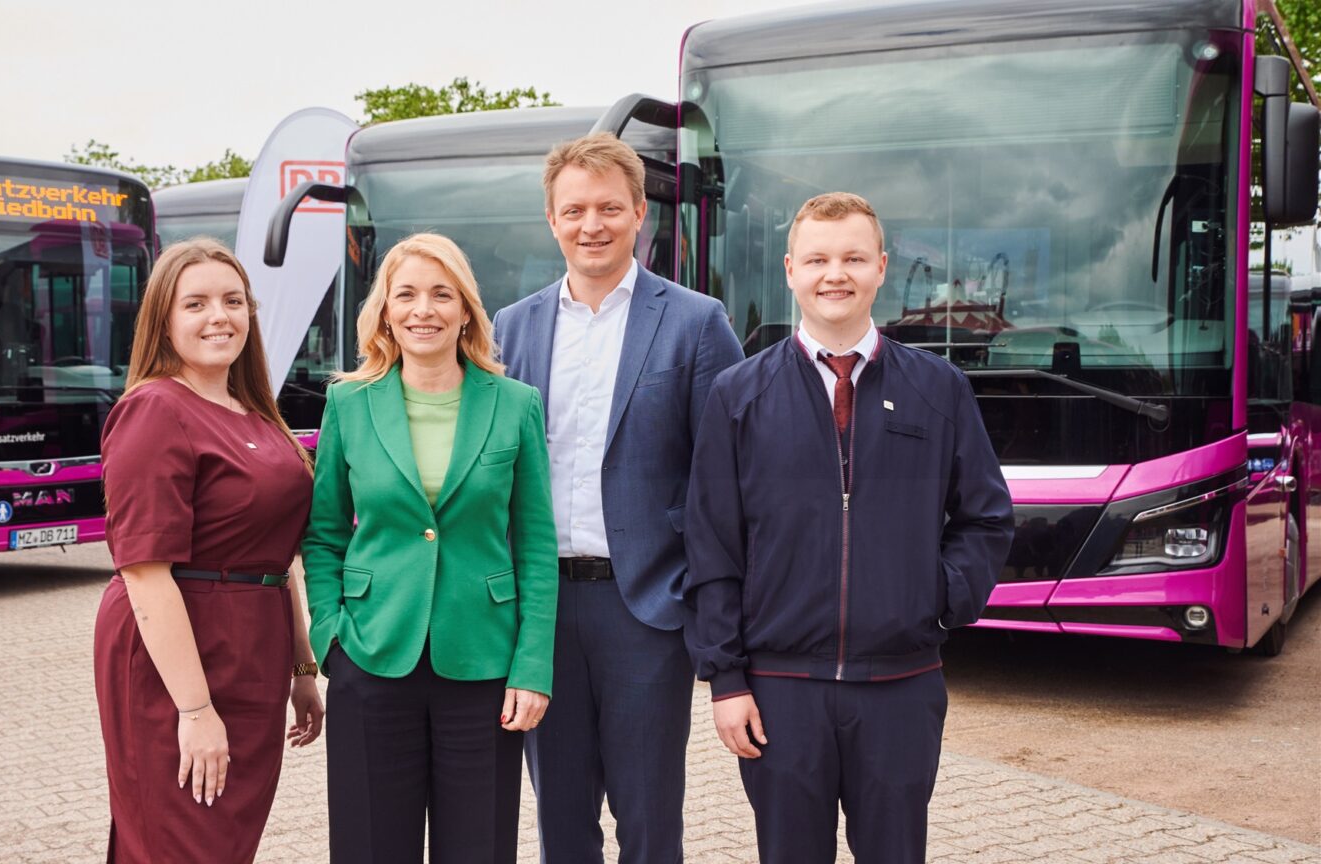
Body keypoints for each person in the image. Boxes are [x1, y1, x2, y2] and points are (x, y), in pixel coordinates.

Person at [684, 192, 1014, 864]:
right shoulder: (738, 395)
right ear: (790, 271)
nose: (835, 274)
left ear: (881, 267)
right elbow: (712, 544)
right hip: (779, 690)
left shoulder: (939, 389)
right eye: (817, 260)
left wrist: (938, 597)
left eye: (854, 258)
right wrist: (726, 679)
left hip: (901, 686)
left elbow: (986, 517)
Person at [493, 132, 744, 863]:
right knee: (561, 820)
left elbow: (727, 476)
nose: (591, 225)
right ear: (551, 220)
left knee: (648, 820)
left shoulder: (697, 321)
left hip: (647, 610)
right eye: (574, 210)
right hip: (542, 611)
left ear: (640, 214)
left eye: (608, 208)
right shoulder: (511, 327)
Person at [304, 233, 558, 863]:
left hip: (482, 663)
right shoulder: (348, 402)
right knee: (370, 848)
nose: (424, 309)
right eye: (407, 295)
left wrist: (531, 667)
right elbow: (325, 532)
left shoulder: (515, 404)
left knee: (478, 848)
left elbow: (535, 547)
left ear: (465, 310)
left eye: (442, 295)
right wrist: (329, 637)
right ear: (385, 311)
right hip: (370, 655)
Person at [93, 238, 324, 864]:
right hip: (180, 653)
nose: (219, 316)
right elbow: (145, 573)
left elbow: (276, 557)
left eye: (233, 301)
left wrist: (302, 670)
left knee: (225, 841)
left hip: (254, 650)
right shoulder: (154, 409)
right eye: (195, 303)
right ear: (163, 321)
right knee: (180, 840)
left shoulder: (254, 412)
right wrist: (194, 710)